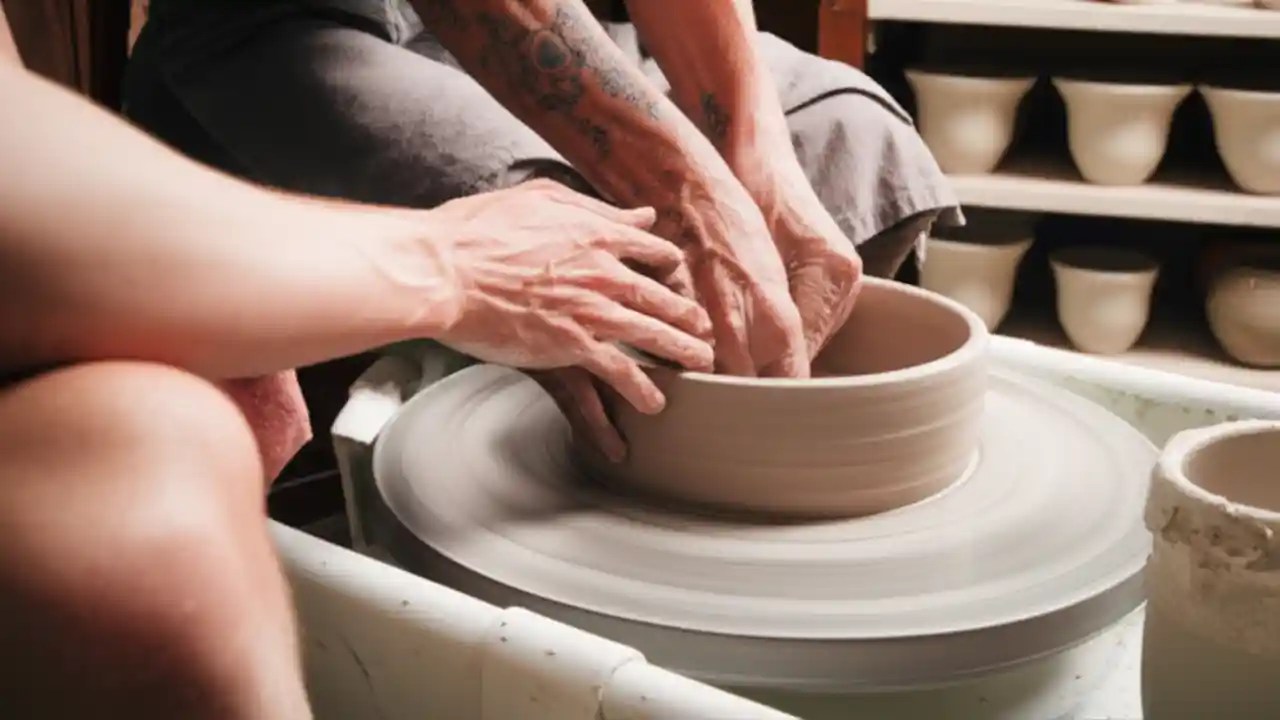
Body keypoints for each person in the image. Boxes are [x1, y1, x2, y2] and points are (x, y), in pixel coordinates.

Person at [0, 8, 715, 715]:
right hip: (274, 25)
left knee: (823, 139)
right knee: (149, 531)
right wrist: (454, 265)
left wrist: (744, 140)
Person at [125, 0, 959, 455]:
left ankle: (780, 467)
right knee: (589, 222)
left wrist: (754, 151)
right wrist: (693, 193)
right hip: (282, 25)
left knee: (852, 135)